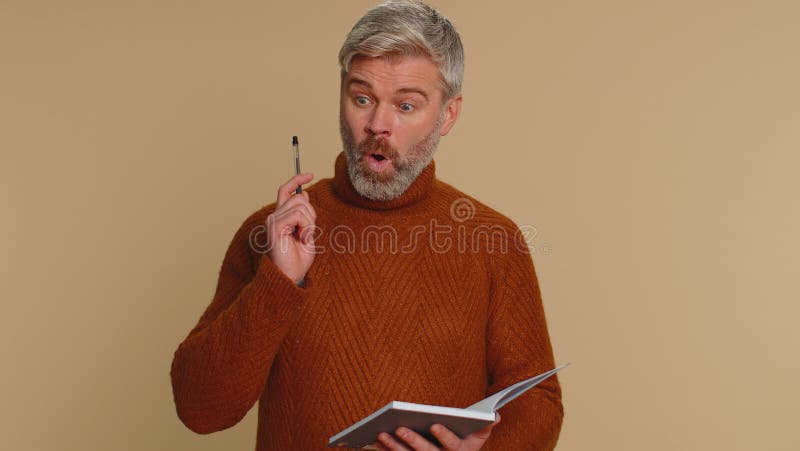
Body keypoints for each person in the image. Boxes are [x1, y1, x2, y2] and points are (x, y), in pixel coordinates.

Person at [171, 1, 563, 449]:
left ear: (448, 114)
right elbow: (199, 409)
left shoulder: (494, 242)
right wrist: (279, 280)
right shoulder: (269, 235)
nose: (378, 124)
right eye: (362, 98)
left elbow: (540, 402)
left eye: (406, 105)